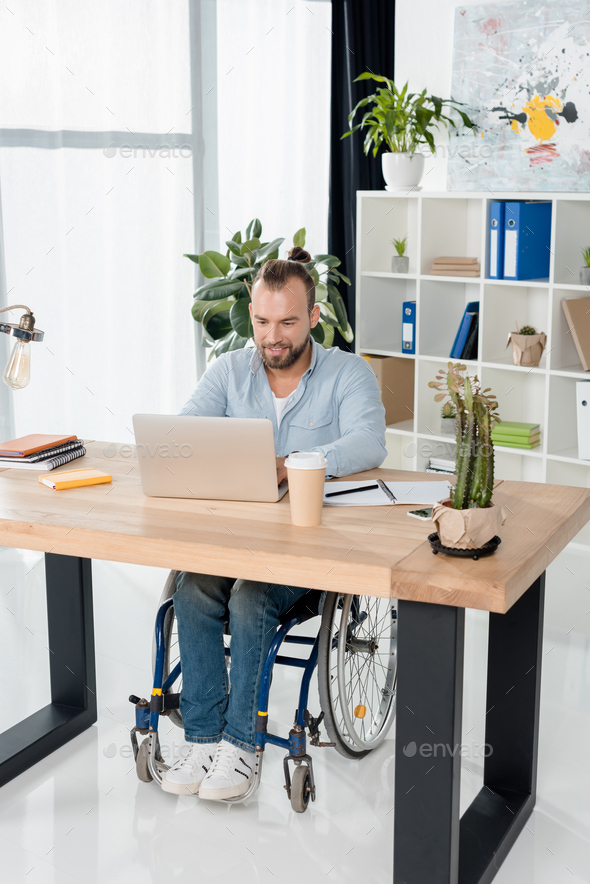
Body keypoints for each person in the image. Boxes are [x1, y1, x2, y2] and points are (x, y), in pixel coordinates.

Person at [162, 246, 387, 800]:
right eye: (262, 322)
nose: (272, 336)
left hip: (309, 545)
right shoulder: (229, 370)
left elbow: (368, 442)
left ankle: (242, 748)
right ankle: (203, 739)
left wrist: (295, 464)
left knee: (249, 598)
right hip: (239, 536)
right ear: (251, 313)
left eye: (288, 322)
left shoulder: (347, 373)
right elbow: (185, 433)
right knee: (192, 589)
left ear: (314, 317)